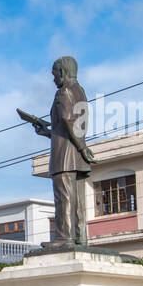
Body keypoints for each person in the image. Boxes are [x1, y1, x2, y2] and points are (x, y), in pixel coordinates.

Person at [28, 56, 97, 247]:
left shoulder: (63, 92)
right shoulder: (80, 91)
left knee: (64, 197)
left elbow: (68, 120)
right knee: (78, 201)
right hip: (78, 156)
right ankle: (80, 237)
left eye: (54, 74)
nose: (53, 79)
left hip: (64, 157)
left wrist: (82, 146)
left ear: (62, 72)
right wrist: (48, 133)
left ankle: (64, 237)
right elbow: (69, 128)